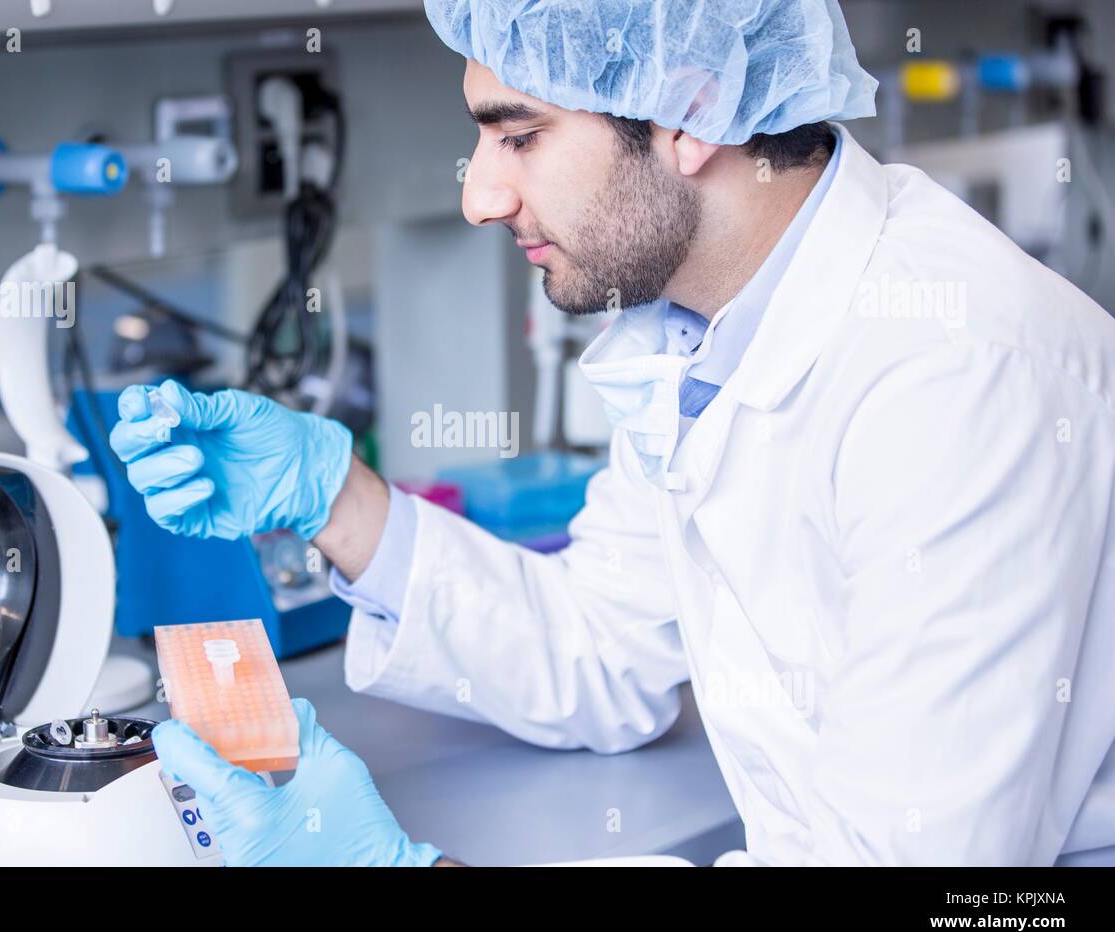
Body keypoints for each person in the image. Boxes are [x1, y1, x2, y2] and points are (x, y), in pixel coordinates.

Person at [110, 0, 1115, 866]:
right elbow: (600, 648)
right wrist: (338, 498)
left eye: (521, 135)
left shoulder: (955, 368)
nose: (478, 195)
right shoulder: (703, 323)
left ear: (688, 108)